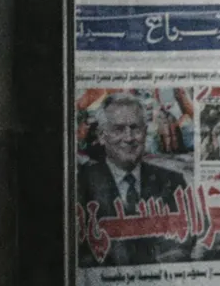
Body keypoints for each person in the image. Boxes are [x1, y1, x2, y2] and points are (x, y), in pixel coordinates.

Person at [77, 94, 190, 266]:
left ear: (145, 132)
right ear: (101, 136)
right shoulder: (80, 184)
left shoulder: (174, 183)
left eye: (135, 128)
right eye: (118, 129)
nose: (129, 138)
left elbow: (184, 243)